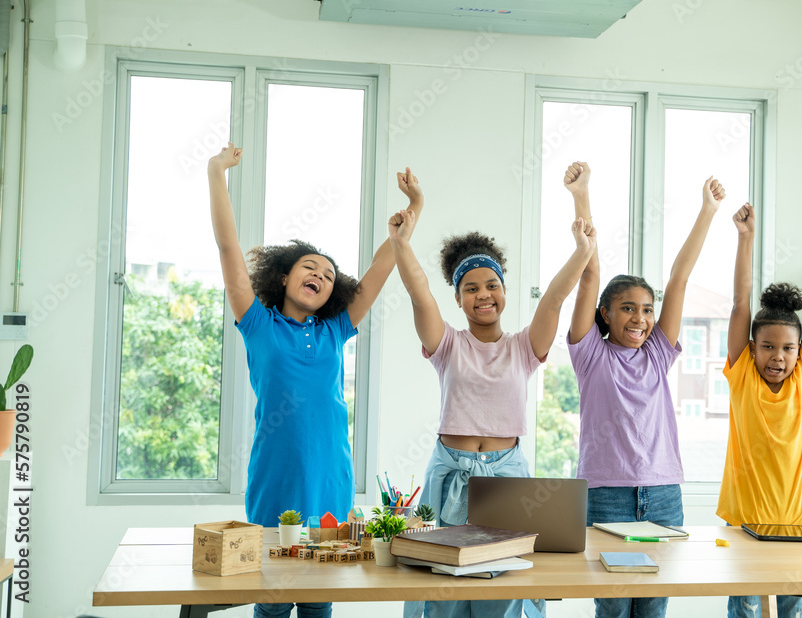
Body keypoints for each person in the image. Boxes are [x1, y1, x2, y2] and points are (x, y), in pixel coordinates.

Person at [207, 143, 423, 618]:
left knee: (319, 597)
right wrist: (216, 172)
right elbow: (227, 248)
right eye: (310, 268)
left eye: (329, 275)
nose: (321, 276)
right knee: (273, 596)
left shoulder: (333, 330)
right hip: (275, 478)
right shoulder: (258, 324)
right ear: (283, 278)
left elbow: (377, 273)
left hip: (330, 479)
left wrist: (413, 213)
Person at [389, 174, 596, 618]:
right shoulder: (447, 345)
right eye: (471, 288)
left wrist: (582, 250)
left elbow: (556, 300)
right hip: (450, 471)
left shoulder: (523, 348)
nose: (483, 294)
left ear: (503, 291)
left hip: (506, 476)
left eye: (491, 286)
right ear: (460, 300)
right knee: (441, 581)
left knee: (502, 587)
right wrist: (403, 241)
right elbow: (419, 293)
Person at [566, 161, 725, 618]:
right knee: (614, 605)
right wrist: (582, 195)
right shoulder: (590, 355)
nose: (640, 318)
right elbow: (589, 277)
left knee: (654, 603)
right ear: (605, 315)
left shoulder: (658, 354)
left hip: (662, 492)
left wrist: (707, 211)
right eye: (628, 309)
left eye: (647, 310)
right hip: (607, 493)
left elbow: (679, 278)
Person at [718, 203, 802, 618]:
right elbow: (740, 305)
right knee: (746, 612)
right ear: (752, 348)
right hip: (748, 523)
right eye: (768, 347)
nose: (778, 356)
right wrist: (745, 238)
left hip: (801, 525)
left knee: (791, 613)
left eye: (788, 348)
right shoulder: (742, 377)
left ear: (799, 351)